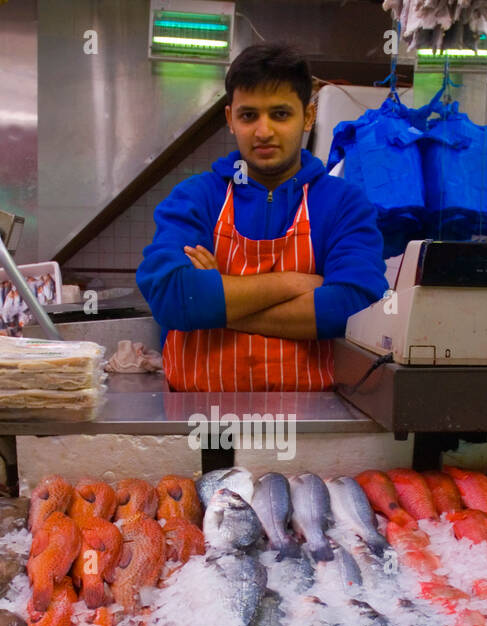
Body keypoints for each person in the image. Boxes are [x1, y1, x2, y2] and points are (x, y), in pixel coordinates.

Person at [136, 43, 388, 391]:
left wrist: (216, 305)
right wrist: (292, 283)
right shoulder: (195, 197)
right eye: (249, 115)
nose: (264, 131)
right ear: (230, 119)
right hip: (198, 419)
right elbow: (171, 297)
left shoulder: (344, 204)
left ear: (308, 117)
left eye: (280, 114)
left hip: (311, 421)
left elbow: (353, 307)